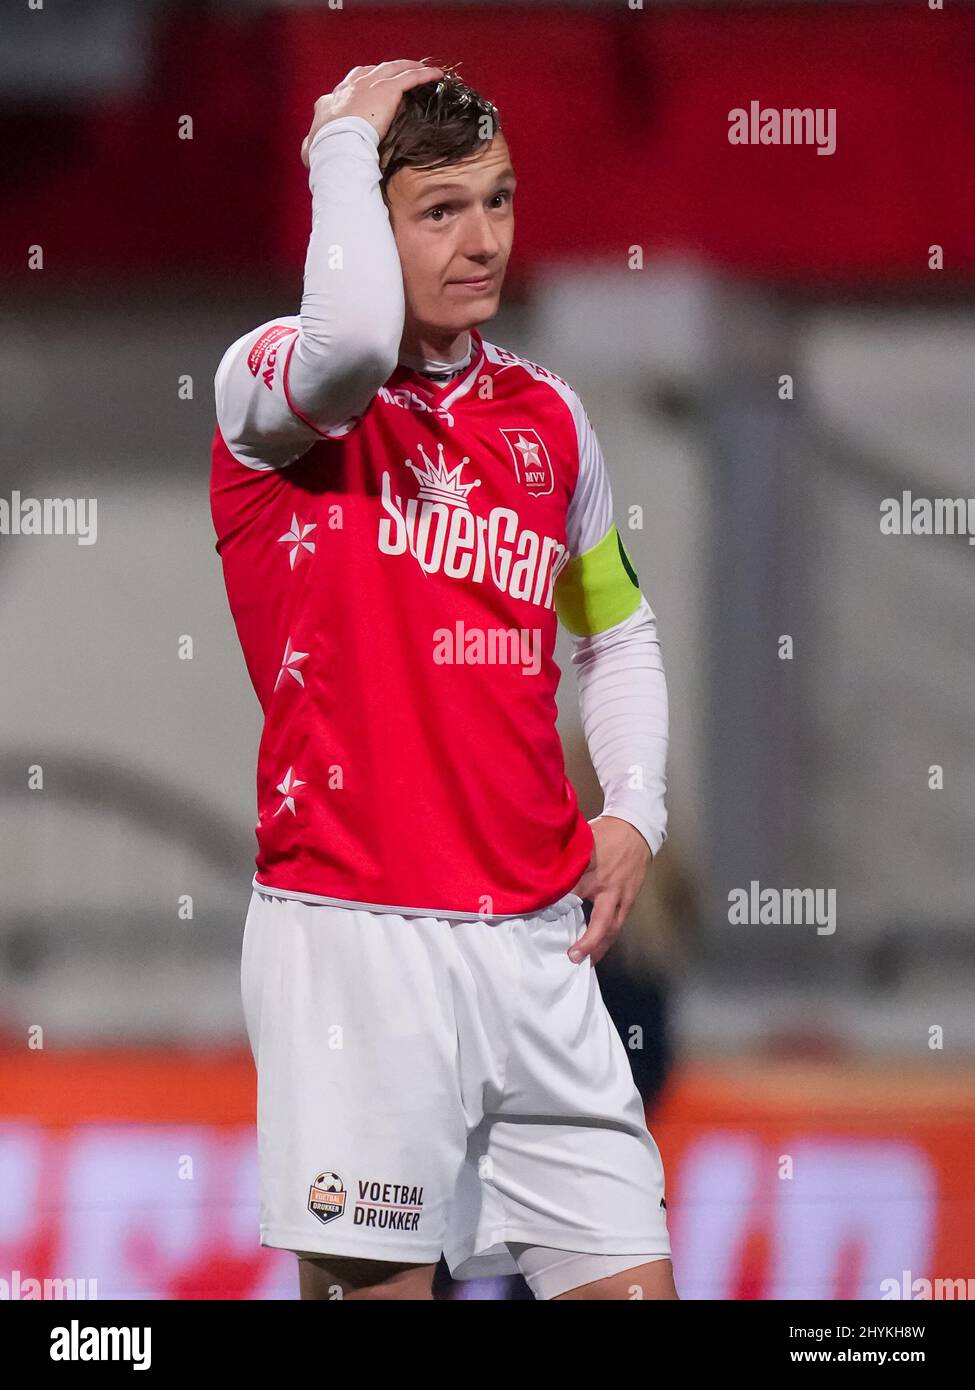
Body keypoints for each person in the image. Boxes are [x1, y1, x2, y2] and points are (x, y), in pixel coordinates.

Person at [210, 59, 676, 1302]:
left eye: (501, 201)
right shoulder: (273, 394)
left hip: (539, 952)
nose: (484, 242)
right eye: (439, 209)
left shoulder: (554, 422)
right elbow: (351, 341)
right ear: (365, 212)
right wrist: (337, 142)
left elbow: (616, 632)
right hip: (352, 940)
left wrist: (633, 803)